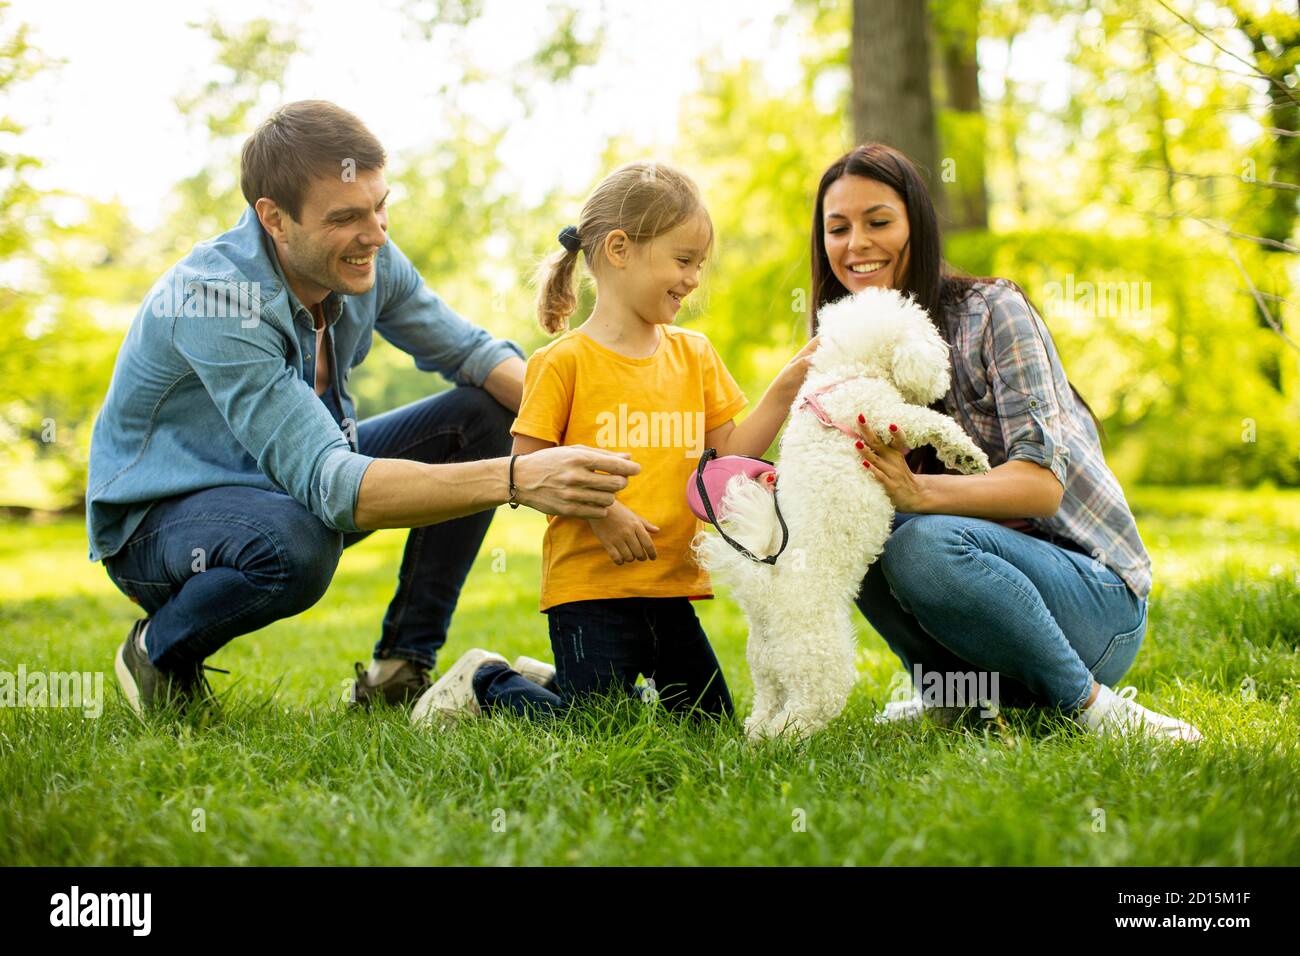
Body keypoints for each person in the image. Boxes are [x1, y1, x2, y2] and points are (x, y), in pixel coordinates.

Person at [89, 100, 639, 717]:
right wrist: (519, 478)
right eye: (348, 217)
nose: (376, 234)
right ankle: (157, 649)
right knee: (296, 544)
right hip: (160, 526)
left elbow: (474, 354)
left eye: (381, 206)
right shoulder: (217, 299)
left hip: (283, 482)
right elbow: (332, 486)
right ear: (274, 218)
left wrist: (598, 439)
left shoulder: (368, 259)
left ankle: (399, 670)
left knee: (478, 415)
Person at [809, 143, 1200, 741]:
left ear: (918, 223)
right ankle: (959, 697)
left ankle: (1093, 706)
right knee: (846, 524)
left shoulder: (993, 313)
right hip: (981, 610)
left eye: (879, 222)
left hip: (1094, 603)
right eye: (838, 229)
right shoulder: (848, 351)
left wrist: (918, 492)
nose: (857, 243)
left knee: (921, 544)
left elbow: (1040, 490)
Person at [411, 161, 818, 729]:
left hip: (670, 587)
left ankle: (555, 683)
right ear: (620, 249)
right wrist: (603, 513)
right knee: (600, 731)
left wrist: (784, 388)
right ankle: (489, 680)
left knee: (708, 728)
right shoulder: (562, 362)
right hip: (589, 590)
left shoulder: (694, 355)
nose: (694, 278)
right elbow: (527, 470)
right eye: (683, 260)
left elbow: (724, 465)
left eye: (699, 264)